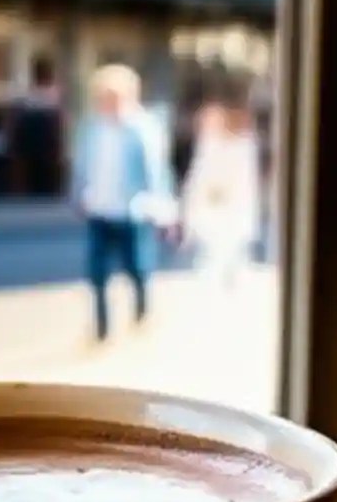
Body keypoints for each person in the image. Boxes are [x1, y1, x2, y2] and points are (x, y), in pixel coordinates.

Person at [70, 64, 174, 342]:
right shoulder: (91, 127)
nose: (108, 102)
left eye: (114, 96)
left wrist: (163, 210)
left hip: (132, 210)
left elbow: (156, 172)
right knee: (97, 272)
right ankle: (102, 326)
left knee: (136, 267)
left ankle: (142, 308)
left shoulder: (141, 127)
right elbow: (81, 166)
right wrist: (78, 196)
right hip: (99, 209)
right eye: (104, 96)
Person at [181, 101, 259, 289]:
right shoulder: (206, 144)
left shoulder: (241, 145)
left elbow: (241, 178)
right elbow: (197, 176)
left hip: (230, 206)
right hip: (208, 207)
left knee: (230, 249)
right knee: (210, 251)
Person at [11, 57, 63, 196]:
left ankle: (46, 190)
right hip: (33, 135)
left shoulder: (54, 92)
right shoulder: (28, 92)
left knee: (45, 167)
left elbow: (58, 118)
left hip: (46, 135)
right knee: (31, 166)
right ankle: (29, 189)